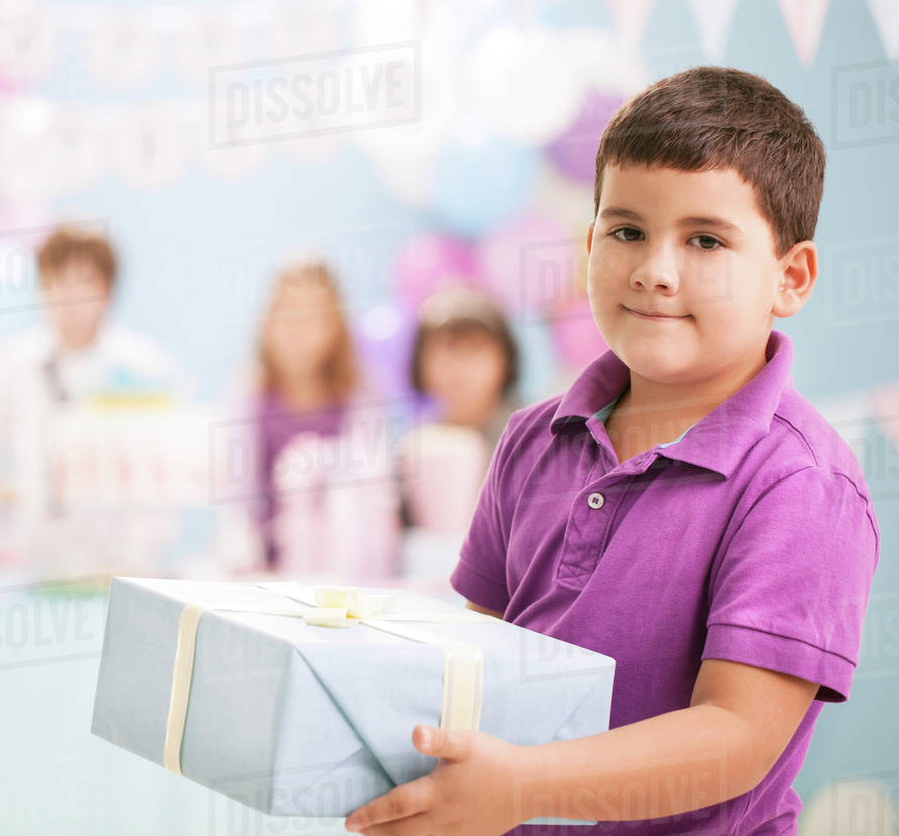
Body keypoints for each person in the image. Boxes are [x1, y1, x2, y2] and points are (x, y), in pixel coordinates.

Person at [344, 67, 880, 835]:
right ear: (591, 243)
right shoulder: (532, 438)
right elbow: (473, 667)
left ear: (790, 278)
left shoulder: (801, 482)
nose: (655, 271)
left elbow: (734, 737)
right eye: (627, 231)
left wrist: (523, 787)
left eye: (705, 240)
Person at [0, 225, 184, 558]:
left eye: (84, 281)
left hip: (122, 553)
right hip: (35, 552)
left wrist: (142, 550)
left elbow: (163, 473)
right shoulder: (13, 362)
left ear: (107, 288)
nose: (70, 298)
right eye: (57, 281)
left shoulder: (145, 366)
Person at [217, 256, 400, 582]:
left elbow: (370, 494)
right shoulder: (249, 395)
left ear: (336, 328)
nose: (297, 329)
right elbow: (237, 502)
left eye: (313, 315)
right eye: (287, 312)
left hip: (343, 572)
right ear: (267, 320)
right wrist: (246, 563)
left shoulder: (362, 395)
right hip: (265, 573)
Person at [400, 286, 523, 535]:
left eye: (475, 348)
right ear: (420, 363)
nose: (460, 366)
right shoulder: (415, 448)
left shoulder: (531, 439)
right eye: (448, 349)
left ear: (505, 359)